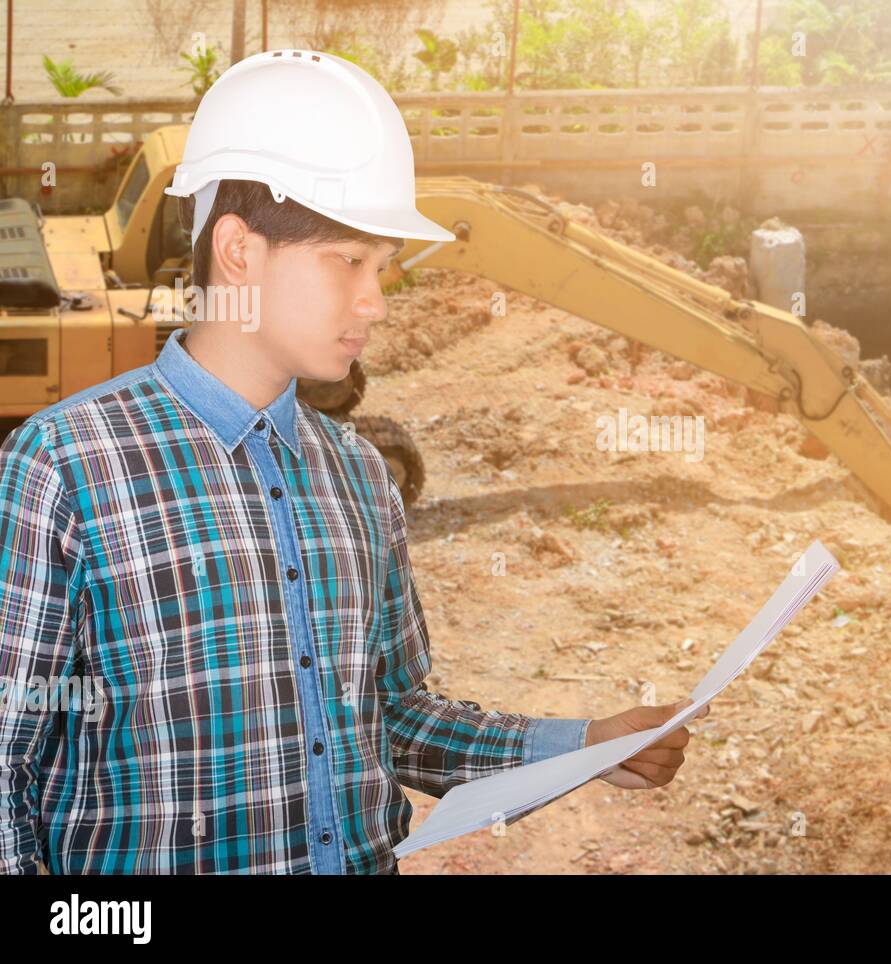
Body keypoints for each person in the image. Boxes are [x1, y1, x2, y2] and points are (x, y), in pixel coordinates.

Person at [0, 49, 707, 875]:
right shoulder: (65, 468)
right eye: (349, 261)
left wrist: (582, 746)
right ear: (238, 252)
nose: (375, 300)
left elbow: (395, 719)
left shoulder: (361, 478)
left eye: (381, 268)